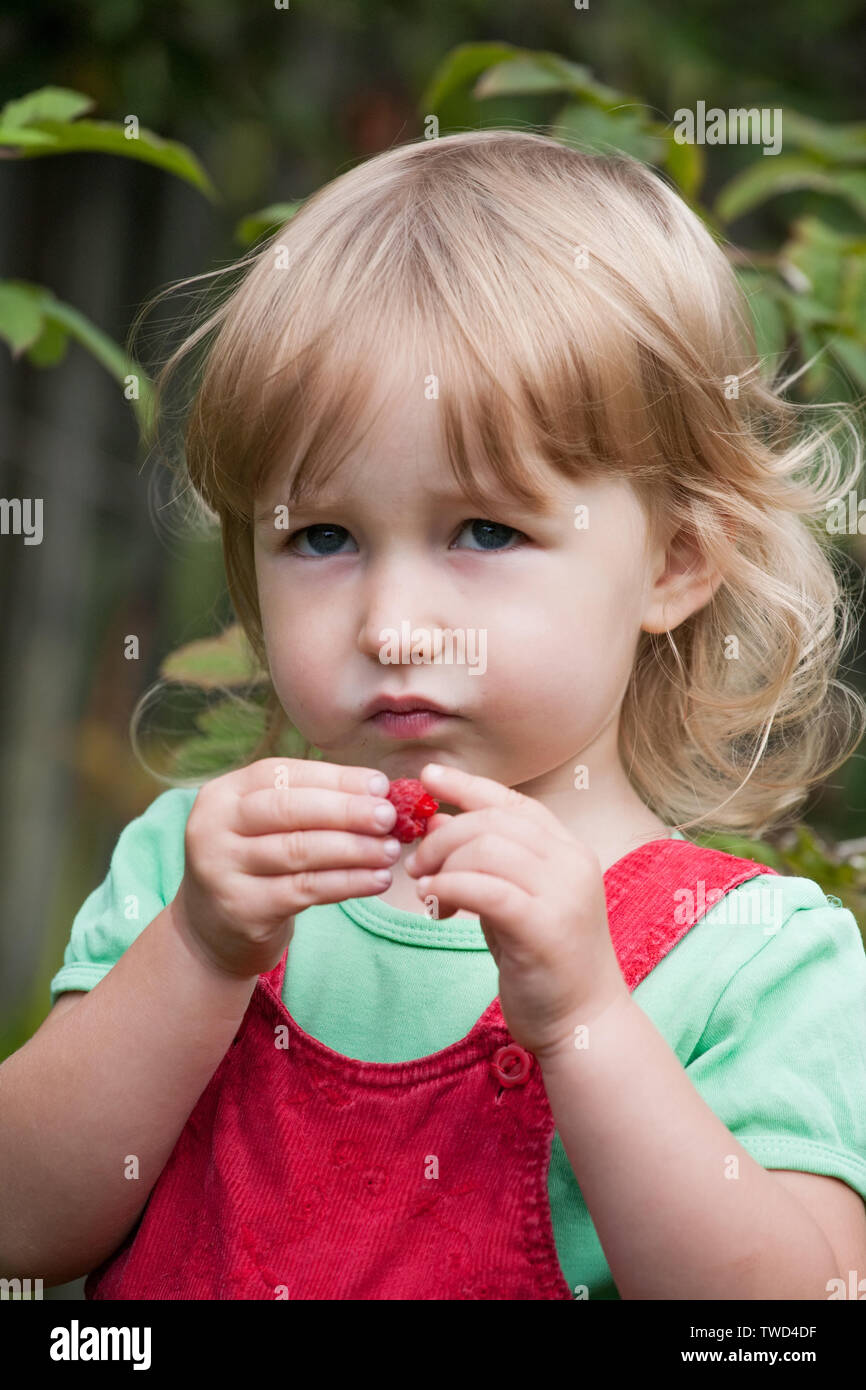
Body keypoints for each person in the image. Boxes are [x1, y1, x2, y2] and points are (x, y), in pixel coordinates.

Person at [7, 129, 866, 1299]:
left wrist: (583, 1029)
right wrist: (199, 953)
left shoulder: (751, 961)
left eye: (483, 532)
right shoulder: (189, 872)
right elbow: (25, 1224)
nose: (393, 625)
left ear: (673, 561)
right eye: (320, 537)